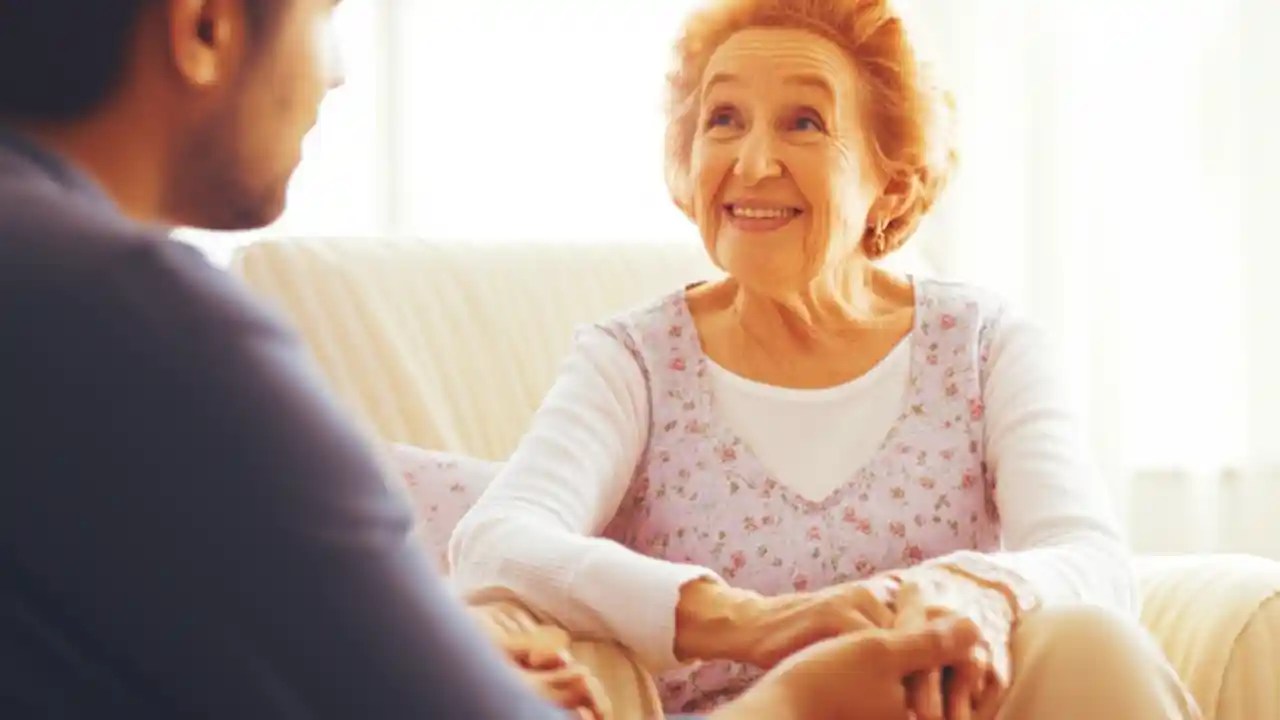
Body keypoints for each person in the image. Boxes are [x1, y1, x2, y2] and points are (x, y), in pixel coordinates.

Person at [0, 1, 992, 718]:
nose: (338, 69)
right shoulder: (151, 332)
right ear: (205, 27)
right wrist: (801, 699)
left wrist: (436, 652)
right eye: (326, 13)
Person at [449, 0, 1203, 717]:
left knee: (1092, 640)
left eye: (803, 122)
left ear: (890, 179)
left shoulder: (983, 345)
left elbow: (1094, 562)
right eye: (724, 120)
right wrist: (749, 620)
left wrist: (975, 589)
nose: (752, 162)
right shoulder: (633, 362)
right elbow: (496, 541)